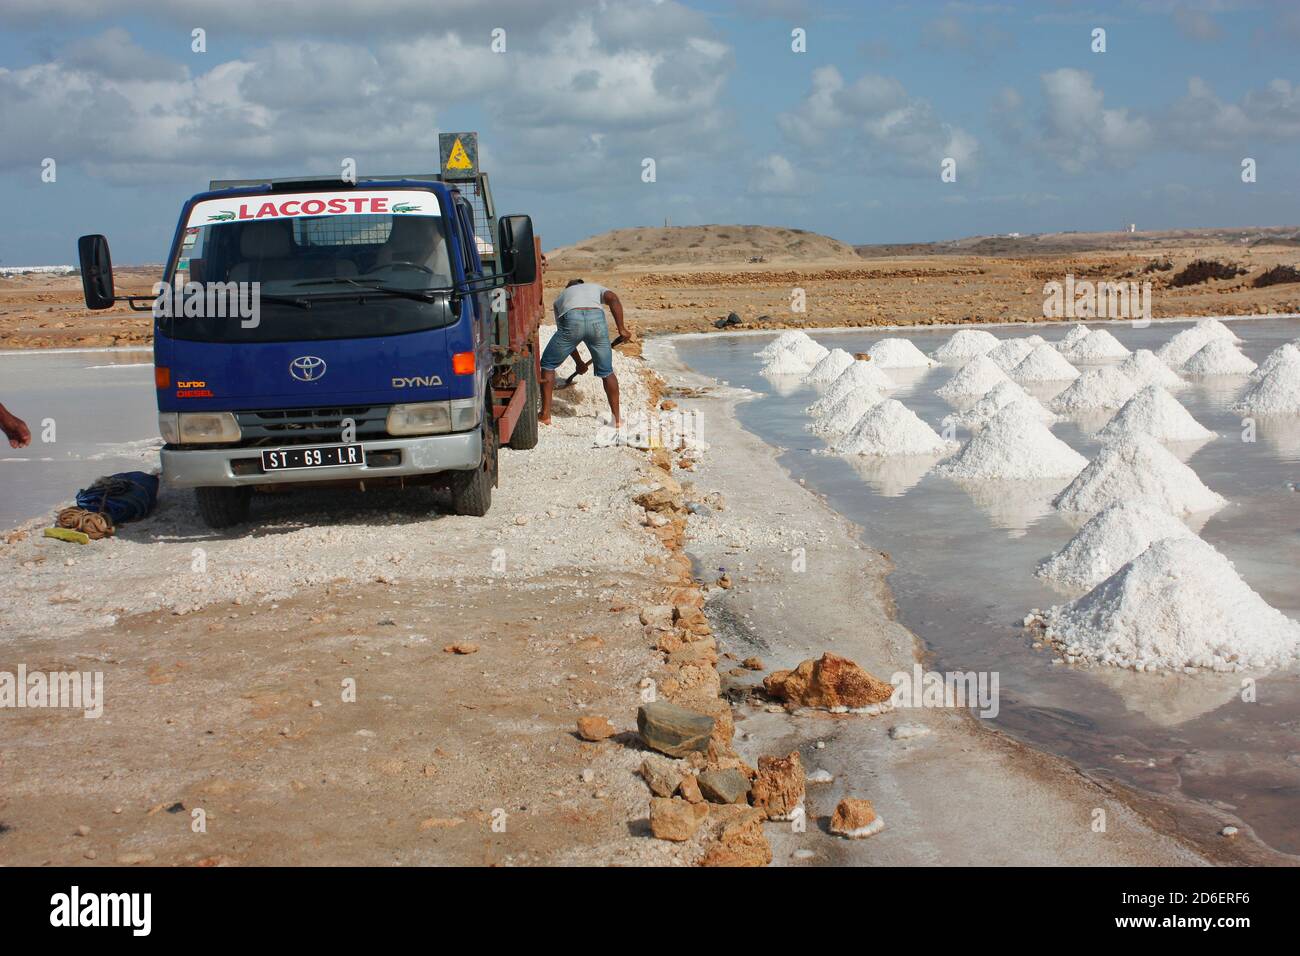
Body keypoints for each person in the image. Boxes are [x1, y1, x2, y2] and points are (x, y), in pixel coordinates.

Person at [539, 279, 632, 428]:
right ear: (582, 284)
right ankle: (617, 420)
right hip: (597, 322)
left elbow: (566, 337)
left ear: (568, 288)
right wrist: (621, 328)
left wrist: (579, 363)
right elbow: (613, 298)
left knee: (548, 365)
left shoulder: (560, 298)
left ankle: (545, 415)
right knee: (607, 372)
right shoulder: (595, 287)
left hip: (571, 319)